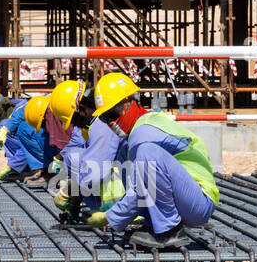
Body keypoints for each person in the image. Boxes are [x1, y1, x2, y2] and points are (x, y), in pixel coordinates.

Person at [85, 72, 219, 249]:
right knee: (127, 157)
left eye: (113, 113)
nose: (111, 121)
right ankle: (154, 223)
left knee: (147, 154)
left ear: (131, 103)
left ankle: (169, 231)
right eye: (105, 117)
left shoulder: (143, 134)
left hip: (199, 202)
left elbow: (138, 191)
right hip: (187, 200)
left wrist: (110, 217)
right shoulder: (138, 132)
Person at [42, 79, 125, 222]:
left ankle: (113, 211)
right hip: (123, 180)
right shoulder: (97, 122)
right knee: (74, 156)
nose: (74, 125)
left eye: (73, 119)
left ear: (82, 109)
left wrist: (70, 191)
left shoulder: (102, 125)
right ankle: (97, 207)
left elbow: (95, 172)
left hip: (127, 196)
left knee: (81, 162)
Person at [0, 87, 50, 182]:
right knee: (3, 128)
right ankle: (24, 168)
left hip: (51, 146)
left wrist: (12, 167)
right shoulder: (9, 107)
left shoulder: (26, 114)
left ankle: (36, 169)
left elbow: (26, 145)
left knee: (11, 129)